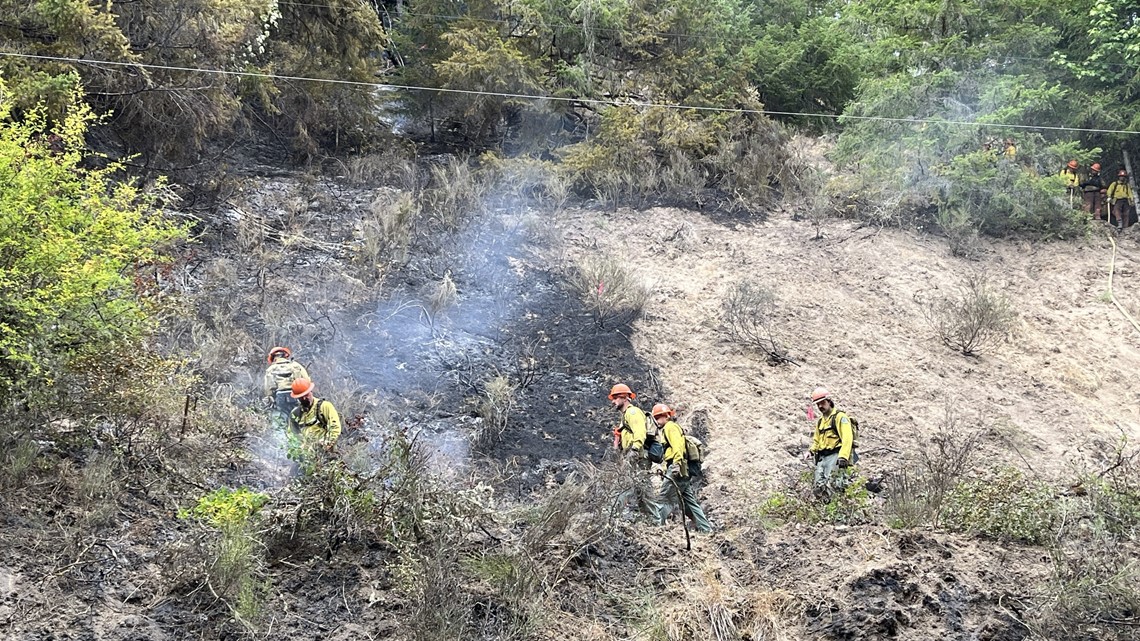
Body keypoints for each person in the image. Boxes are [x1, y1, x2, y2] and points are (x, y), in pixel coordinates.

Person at [651, 404, 712, 533]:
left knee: (665, 498)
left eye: (658, 417)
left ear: (666, 416)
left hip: (677, 469)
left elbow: (677, 446)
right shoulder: (669, 428)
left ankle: (655, 528)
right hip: (682, 470)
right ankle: (706, 530)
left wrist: (677, 464)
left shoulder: (670, 427)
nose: (656, 421)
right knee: (689, 503)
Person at [608, 383, 663, 519]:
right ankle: (653, 520)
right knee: (642, 490)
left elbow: (640, 432)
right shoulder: (625, 416)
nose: (613, 402)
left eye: (615, 398)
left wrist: (634, 449)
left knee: (627, 485)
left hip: (638, 455)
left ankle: (612, 516)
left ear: (624, 397)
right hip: (634, 455)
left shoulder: (632, 412)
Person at [805, 387, 857, 495]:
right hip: (822, 458)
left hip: (835, 456)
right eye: (818, 404)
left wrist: (843, 457)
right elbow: (817, 440)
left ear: (829, 401)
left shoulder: (840, 417)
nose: (820, 406)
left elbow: (847, 438)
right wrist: (810, 451)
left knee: (834, 487)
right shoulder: (820, 421)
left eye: (822, 402)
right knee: (819, 489)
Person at [288, 378, 342, 452]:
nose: (304, 398)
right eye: (301, 397)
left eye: (306, 395)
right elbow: (292, 434)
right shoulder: (295, 414)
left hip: (325, 451)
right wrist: (300, 447)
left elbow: (335, 428)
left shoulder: (324, 406)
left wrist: (327, 444)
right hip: (306, 453)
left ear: (311, 391)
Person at [263, 347, 309, 427]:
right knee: (298, 417)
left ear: (273, 358)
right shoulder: (296, 366)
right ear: (286, 355)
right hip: (295, 394)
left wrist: (269, 397)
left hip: (280, 396)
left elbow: (268, 387)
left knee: (282, 419)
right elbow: (306, 380)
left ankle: (286, 432)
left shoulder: (270, 369)